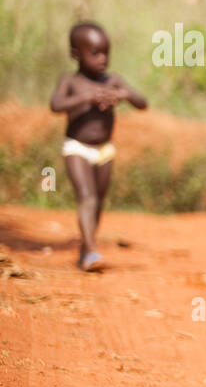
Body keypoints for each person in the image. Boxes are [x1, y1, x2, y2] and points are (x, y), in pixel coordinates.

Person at [48, 22, 148, 272]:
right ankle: (92, 251)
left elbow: (142, 102)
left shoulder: (112, 80)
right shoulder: (71, 81)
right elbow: (56, 105)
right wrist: (88, 97)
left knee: (99, 201)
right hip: (77, 148)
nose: (103, 59)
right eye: (95, 53)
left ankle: (86, 247)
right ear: (76, 54)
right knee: (86, 196)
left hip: (105, 150)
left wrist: (123, 95)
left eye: (106, 52)